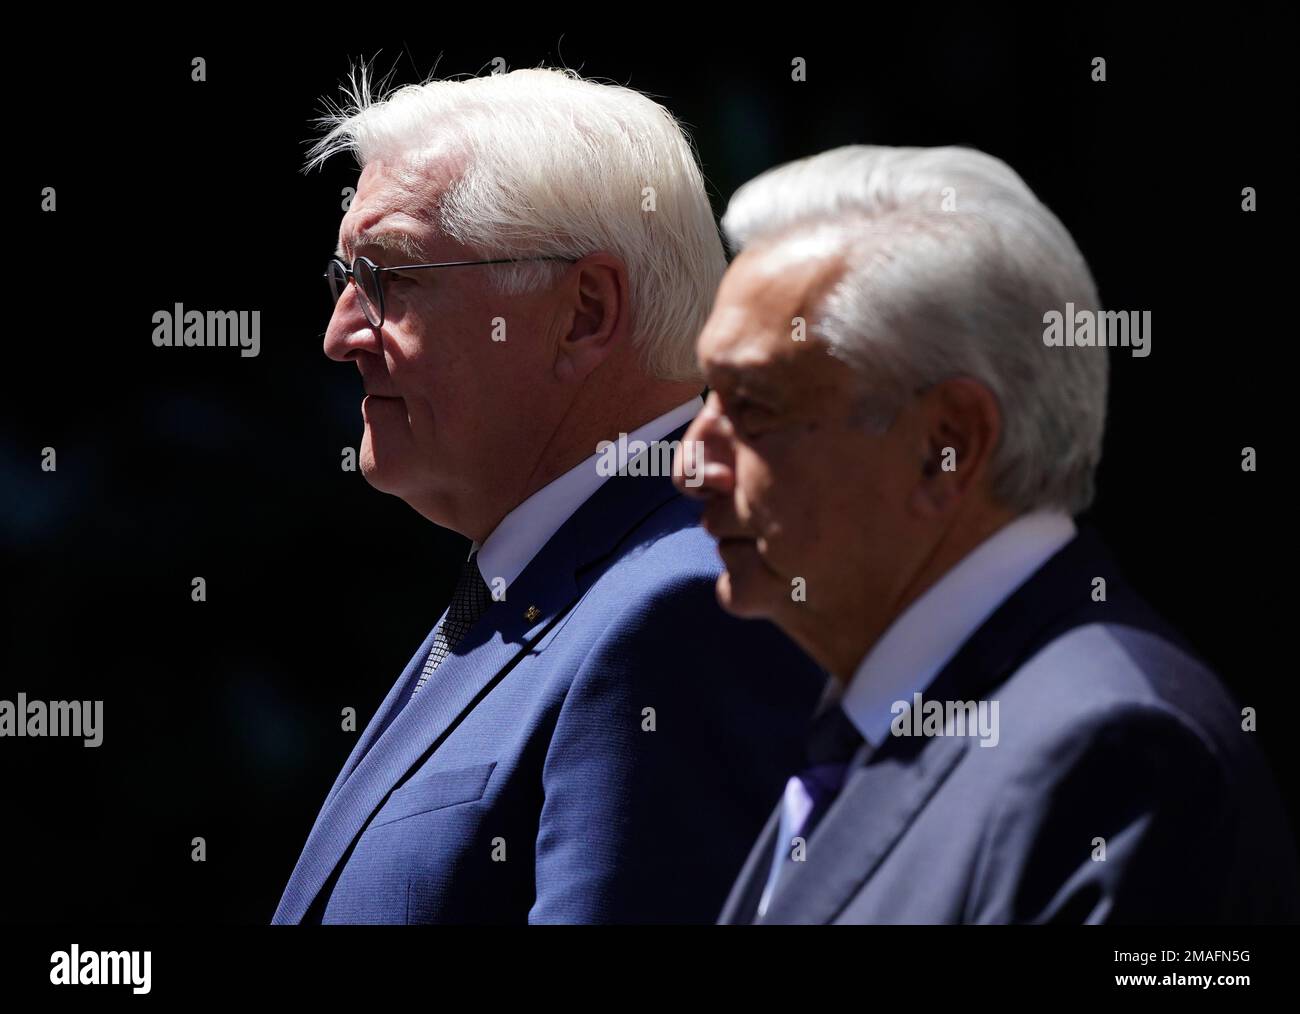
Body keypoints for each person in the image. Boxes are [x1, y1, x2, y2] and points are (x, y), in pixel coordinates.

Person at [675, 145, 1299, 923]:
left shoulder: (1119, 761)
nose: (691, 464)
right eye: (708, 396)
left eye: (753, 404)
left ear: (949, 447)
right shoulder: (882, 724)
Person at [272, 66, 826, 924]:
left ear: (583, 311)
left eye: (391, 281)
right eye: (343, 278)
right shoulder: (554, 576)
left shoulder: (678, 608)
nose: (339, 334)